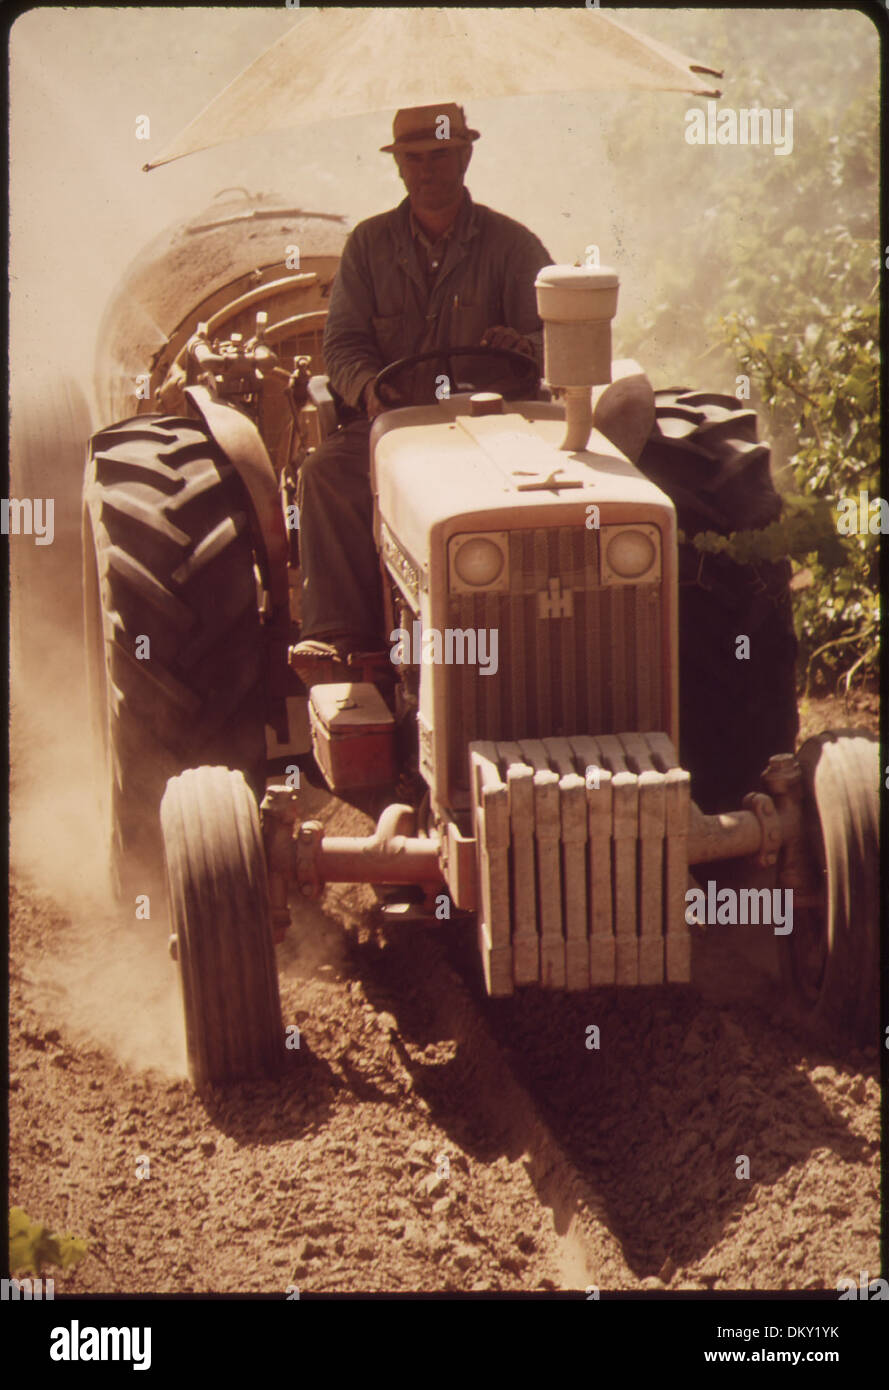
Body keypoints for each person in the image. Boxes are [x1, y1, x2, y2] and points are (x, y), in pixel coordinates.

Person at [293, 103, 553, 661]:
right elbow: (342, 345)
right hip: (395, 424)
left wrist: (523, 348)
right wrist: (368, 388)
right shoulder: (367, 246)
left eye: (439, 155)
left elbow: (550, 339)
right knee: (325, 474)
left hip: (498, 430)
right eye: (414, 158)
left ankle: (540, 631)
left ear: (465, 157)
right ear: (398, 166)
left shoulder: (515, 246)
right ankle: (342, 638)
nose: (426, 170)